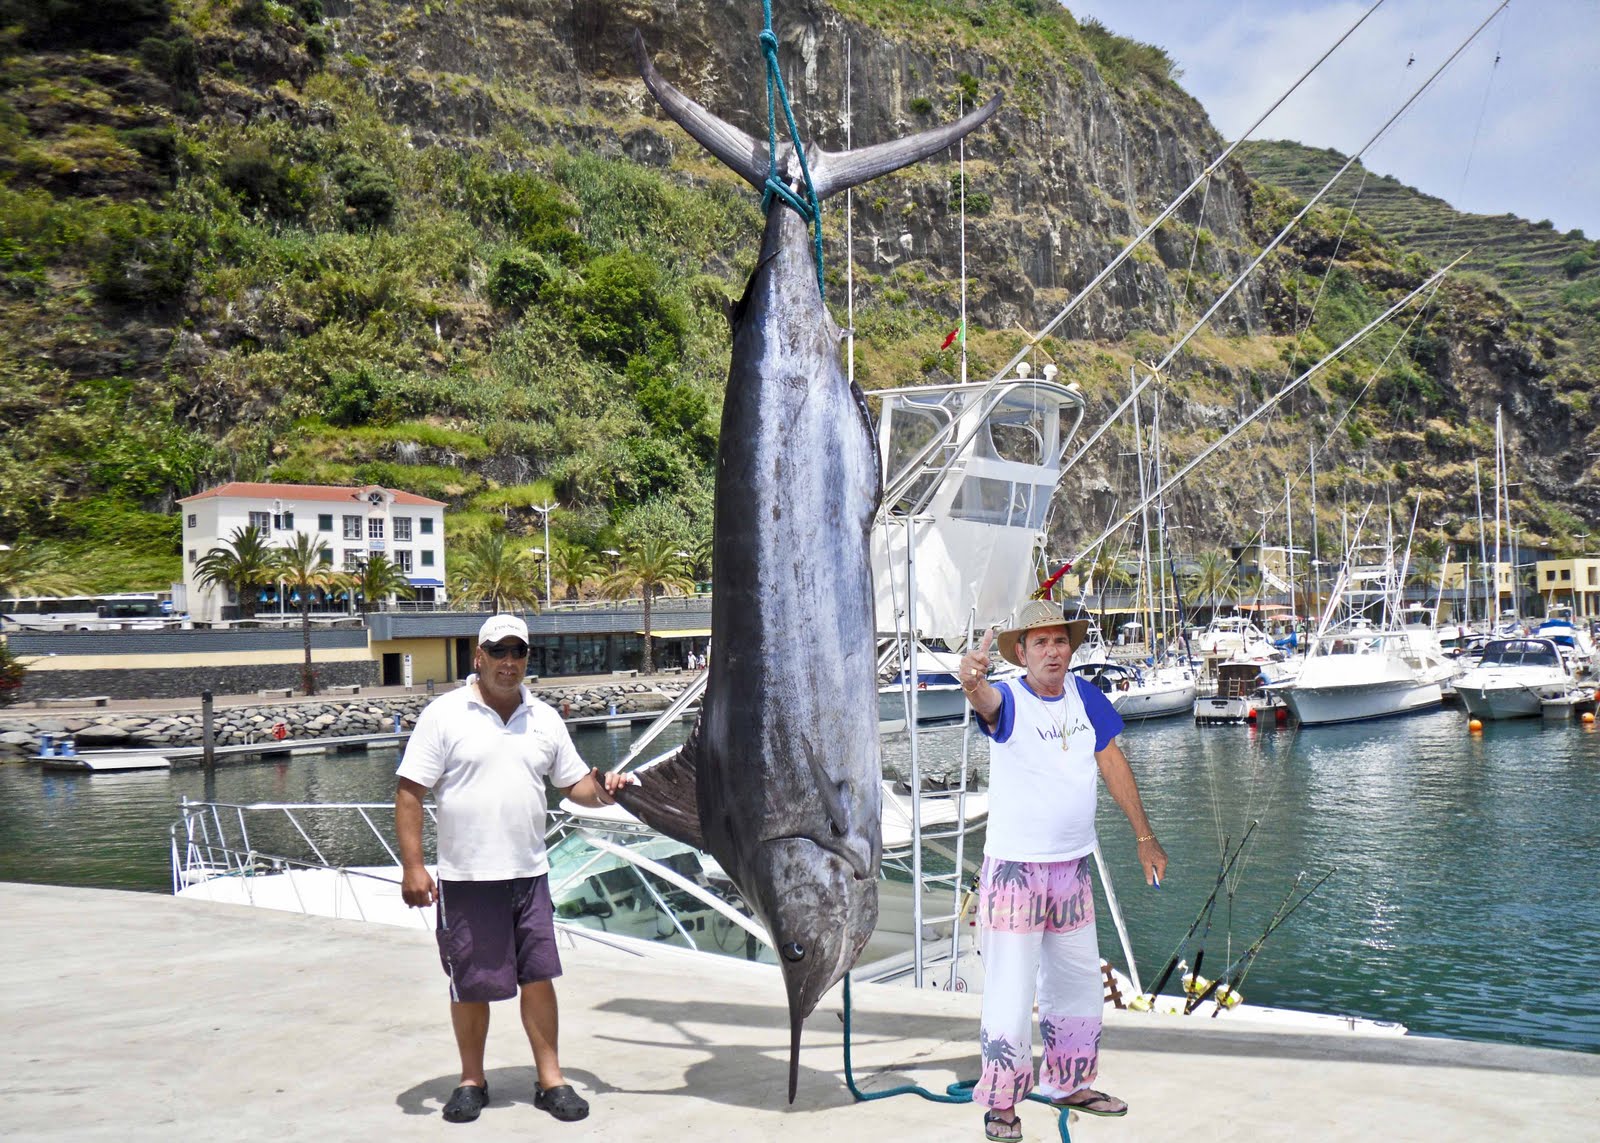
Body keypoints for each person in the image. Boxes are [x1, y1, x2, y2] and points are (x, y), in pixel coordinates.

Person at [396, 614, 630, 1126]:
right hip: (466, 877)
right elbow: (410, 791)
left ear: (527, 658)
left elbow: (575, 787)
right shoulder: (444, 714)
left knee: (540, 978)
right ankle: (471, 1080)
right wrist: (414, 866)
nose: (508, 662)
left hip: (530, 873)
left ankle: (551, 1080)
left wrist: (605, 789)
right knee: (471, 983)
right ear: (477, 656)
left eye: (517, 652)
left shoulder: (545, 718)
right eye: (498, 652)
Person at [958, 599, 1168, 1140]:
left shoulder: (1086, 696)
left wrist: (1144, 836)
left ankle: (1070, 1083)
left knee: (1076, 985)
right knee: (1009, 988)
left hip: (1073, 867)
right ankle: (1001, 1104)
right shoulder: (1008, 699)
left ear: (1070, 648)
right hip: (1015, 872)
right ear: (1021, 653)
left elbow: (1112, 759)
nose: (1052, 651)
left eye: (1060, 641)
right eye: (1040, 642)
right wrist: (971, 683)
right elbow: (986, 702)